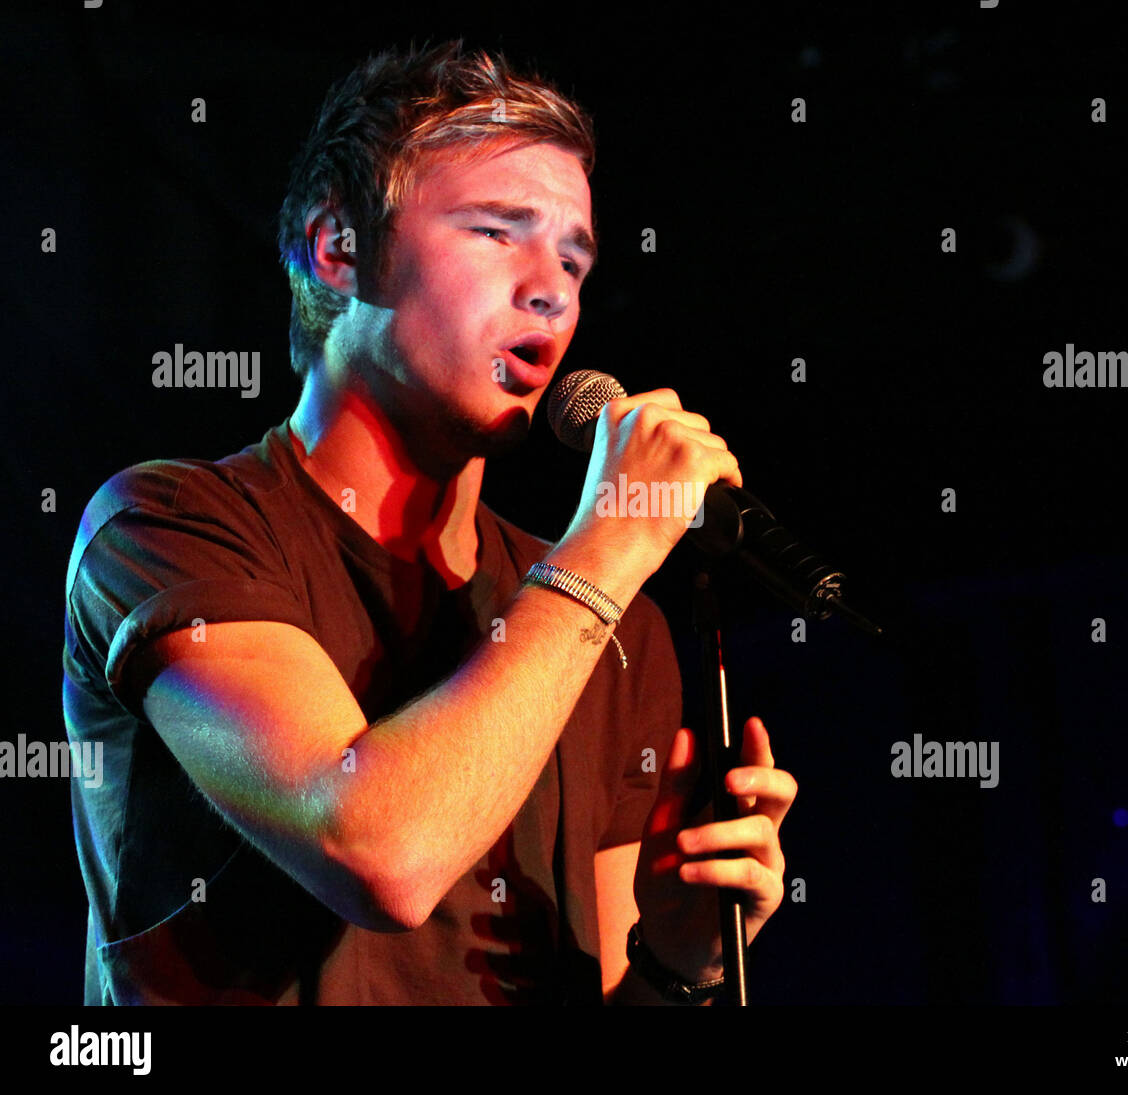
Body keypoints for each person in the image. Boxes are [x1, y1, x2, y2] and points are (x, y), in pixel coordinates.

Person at [62, 40, 796, 1005]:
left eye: (574, 256)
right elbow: (378, 850)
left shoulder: (622, 633)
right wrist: (613, 541)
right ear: (340, 248)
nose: (554, 287)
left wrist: (678, 960)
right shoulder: (170, 526)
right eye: (498, 232)